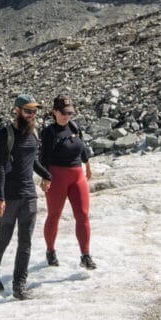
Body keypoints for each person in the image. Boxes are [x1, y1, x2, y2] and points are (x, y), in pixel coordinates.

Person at [0, 92, 53, 299]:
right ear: (17, 111)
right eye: (28, 111)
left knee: (25, 241)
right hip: (10, 196)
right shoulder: (5, 134)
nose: (32, 115)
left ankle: (19, 285)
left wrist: (47, 175)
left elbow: (32, 161)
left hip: (29, 195)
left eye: (34, 111)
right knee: (4, 237)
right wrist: (0, 198)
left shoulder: (34, 133)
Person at [40, 95, 96, 270]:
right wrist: (45, 177)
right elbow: (43, 157)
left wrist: (87, 164)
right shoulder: (49, 132)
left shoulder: (74, 126)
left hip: (77, 174)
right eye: (63, 113)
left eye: (70, 113)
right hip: (57, 176)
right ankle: (50, 251)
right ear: (54, 112)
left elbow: (82, 147)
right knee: (54, 215)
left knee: (83, 215)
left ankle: (85, 255)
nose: (67, 116)